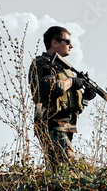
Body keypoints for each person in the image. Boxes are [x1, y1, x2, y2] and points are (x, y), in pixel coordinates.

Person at [29, 26, 95, 169]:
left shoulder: (65, 70)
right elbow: (49, 89)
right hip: (51, 123)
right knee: (70, 167)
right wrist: (72, 82)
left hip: (66, 125)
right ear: (55, 43)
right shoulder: (42, 63)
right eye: (67, 41)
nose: (71, 46)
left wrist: (85, 98)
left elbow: (69, 105)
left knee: (57, 170)